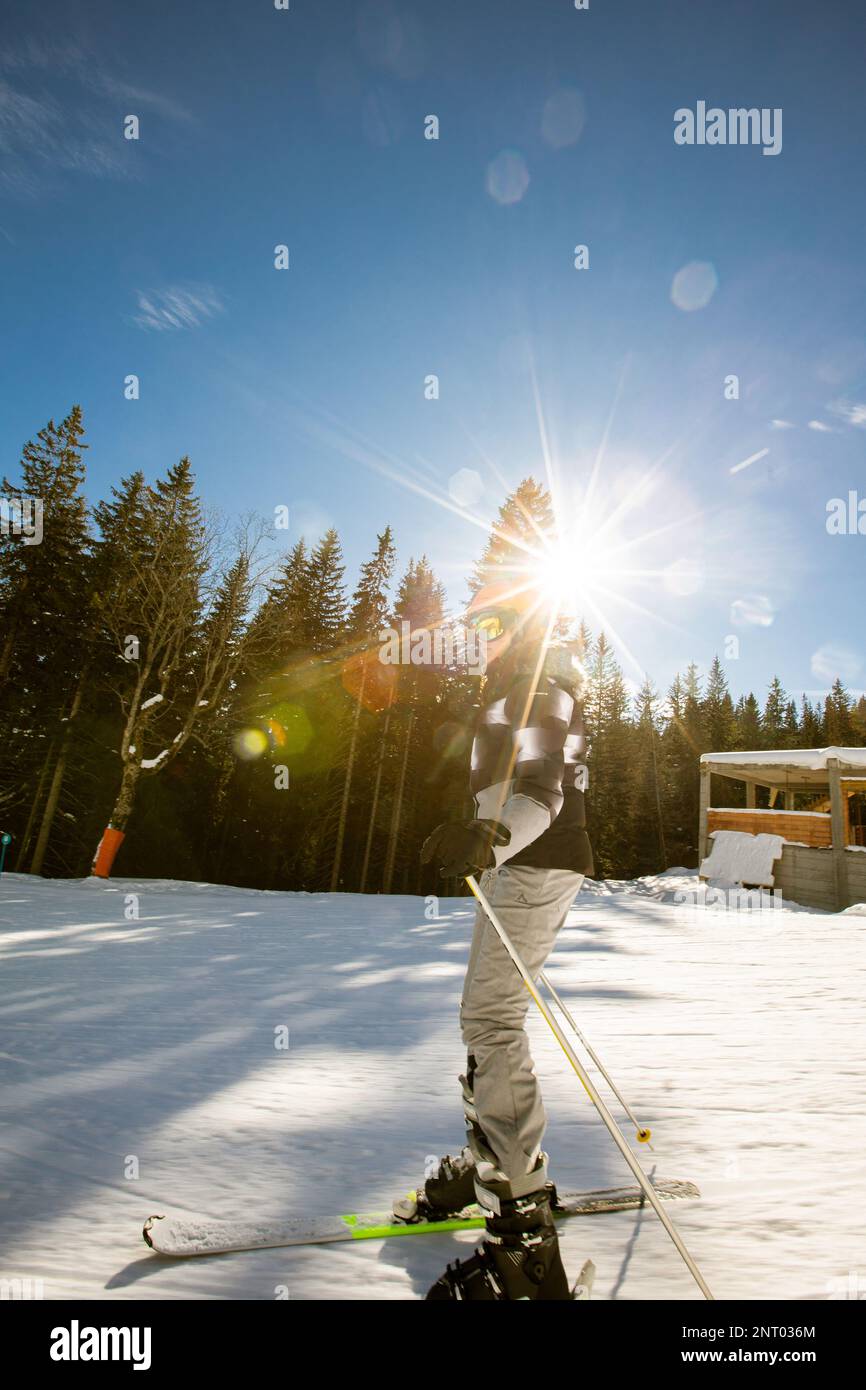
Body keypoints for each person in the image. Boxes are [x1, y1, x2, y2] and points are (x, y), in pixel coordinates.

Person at [408, 576, 594, 1300]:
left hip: (531, 862)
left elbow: (543, 793)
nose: (483, 635)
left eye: (499, 623)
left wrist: (491, 835)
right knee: (486, 1016)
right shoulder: (515, 681)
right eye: (479, 624)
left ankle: (521, 1235)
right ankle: (490, 1162)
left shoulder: (542, 685)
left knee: (491, 1018)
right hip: (516, 864)